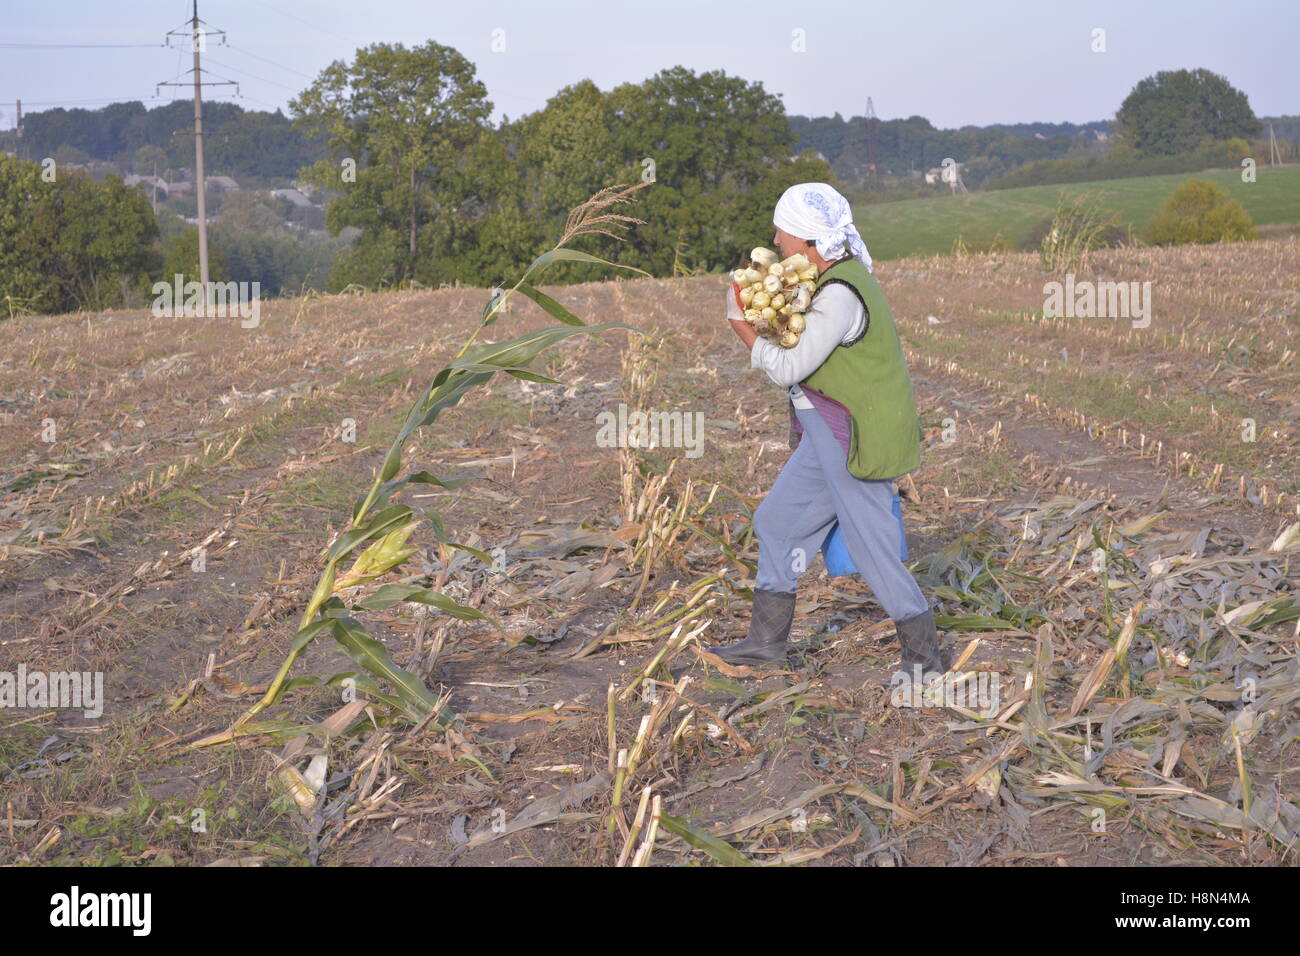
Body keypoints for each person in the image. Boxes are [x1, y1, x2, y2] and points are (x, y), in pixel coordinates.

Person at [713, 182, 951, 683]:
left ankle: (924, 658)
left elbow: (788, 368)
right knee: (778, 523)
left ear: (805, 238)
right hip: (827, 428)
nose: (775, 241)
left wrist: (741, 326)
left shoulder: (840, 293)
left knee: (871, 546)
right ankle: (766, 644)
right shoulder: (828, 282)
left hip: (853, 436)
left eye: (781, 232)